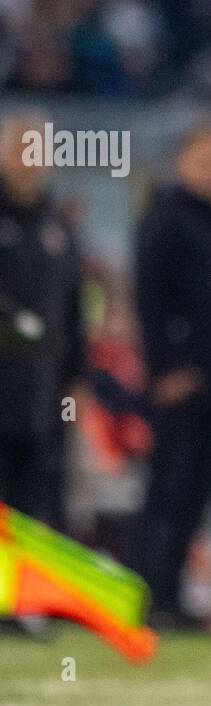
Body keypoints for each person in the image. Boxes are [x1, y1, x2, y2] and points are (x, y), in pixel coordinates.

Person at [134, 125, 211, 632]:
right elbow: (149, 298)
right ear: (181, 161)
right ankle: (153, 597)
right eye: (205, 160)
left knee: (199, 493)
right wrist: (164, 369)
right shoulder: (165, 219)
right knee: (170, 490)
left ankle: (175, 596)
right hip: (180, 382)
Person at [0, 113, 85, 529]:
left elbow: (74, 311)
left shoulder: (60, 227)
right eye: (19, 149)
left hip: (44, 394)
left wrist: (77, 379)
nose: (27, 160)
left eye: (37, 151)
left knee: (39, 506)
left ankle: (27, 595)